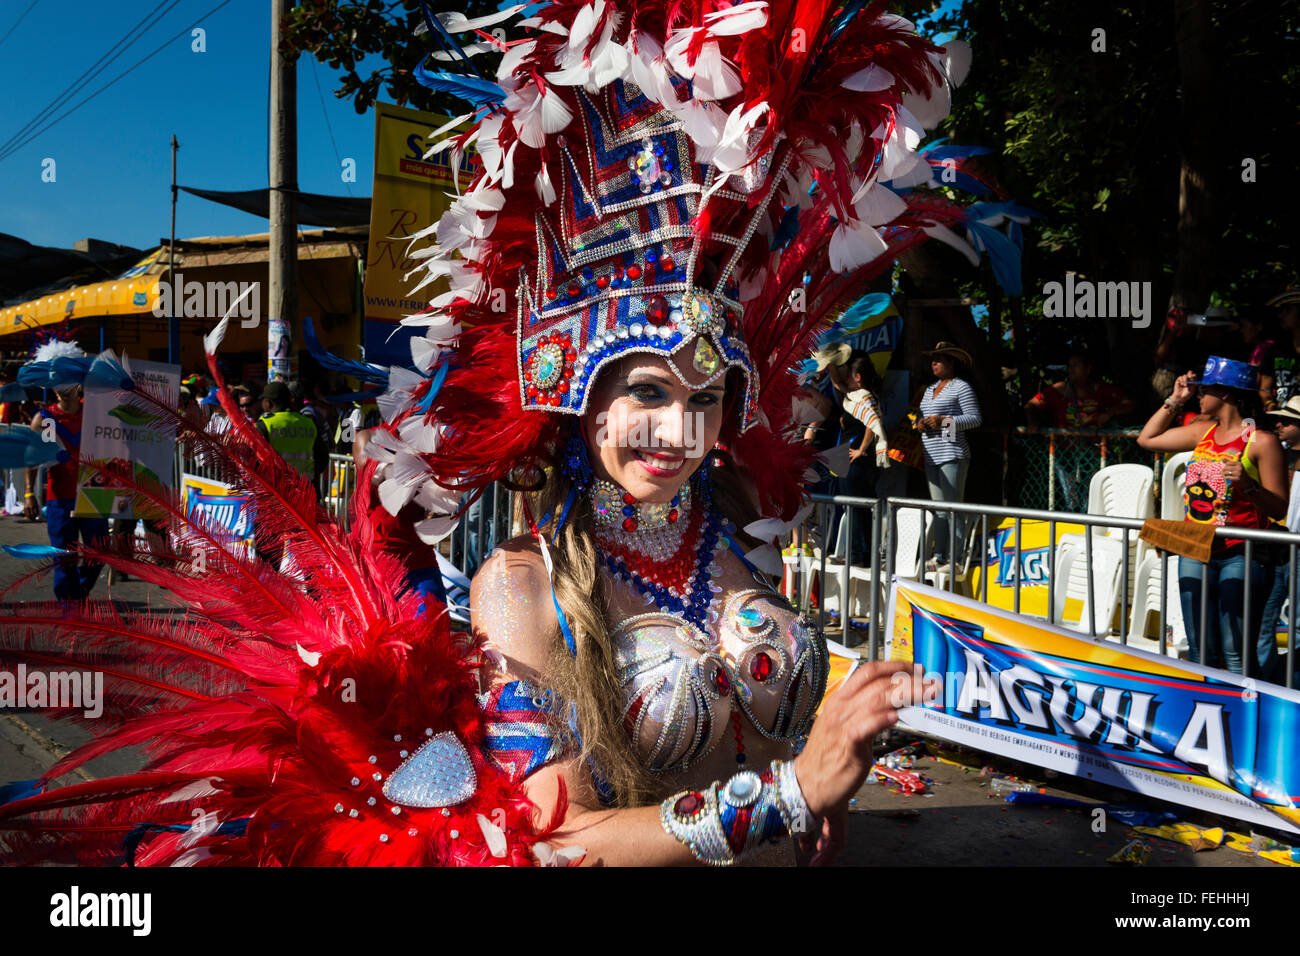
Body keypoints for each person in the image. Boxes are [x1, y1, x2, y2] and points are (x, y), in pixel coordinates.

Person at [0, 0, 989, 867]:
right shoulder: (522, 585)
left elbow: (757, 734)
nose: (677, 428)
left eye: (704, 395)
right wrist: (788, 794)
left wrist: (827, 754)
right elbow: (561, 838)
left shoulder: (724, 534)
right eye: (646, 392)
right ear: (581, 399)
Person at [1137, 357, 1288, 675]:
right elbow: (1146, 439)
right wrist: (1175, 401)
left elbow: (1278, 509)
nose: (1198, 395)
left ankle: (1241, 719)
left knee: (1235, 652)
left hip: (1241, 552)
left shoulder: (1262, 441)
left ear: (1228, 394)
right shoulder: (1202, 432)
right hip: (1196, 546)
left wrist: (1247, 486)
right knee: (1199, 649)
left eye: (1204, 389)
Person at [23, 383, 110, 601]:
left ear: (78, 386)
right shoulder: (44, 419)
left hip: (94, 495)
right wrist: (28, 494)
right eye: (59, 383)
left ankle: (79, 592)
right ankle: (68, 605)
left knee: (99, 552)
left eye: (68, 382)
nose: (64, 388)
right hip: (60, 498)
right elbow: (32, 458)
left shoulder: (95, 413)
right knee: (63, 557)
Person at [1024, 346, 1134, 512]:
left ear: (1088, 369)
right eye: (1069, 366)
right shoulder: (1059, 389)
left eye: (1076, 365)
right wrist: (1033, 422)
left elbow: (1129, 404)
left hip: (1093, 453)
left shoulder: (1102, 389)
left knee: (1091, 494)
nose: (1071, 370)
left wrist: (1110, 412)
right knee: (1070, 497)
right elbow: (1031, 404)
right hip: (1064, 452)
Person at [917, 342, 982, 571]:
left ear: (951, 363)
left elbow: (975, 418)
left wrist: (945, 420)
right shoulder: (929, 389)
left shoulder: (961, 387)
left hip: (952, 453)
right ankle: (940, 555)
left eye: (939, 359)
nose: (933, 363)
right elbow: (920, 414)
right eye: (932, 359)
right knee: (940, 509)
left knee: (953, 507)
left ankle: (956, 558)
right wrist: (921, 423)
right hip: (931, 454)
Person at [828, 350, 889, 564]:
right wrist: (831, 361)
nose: (845, 377)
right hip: (848, 459)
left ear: (858, 377)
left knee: (857, 508)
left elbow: (873, 423)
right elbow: (837, 384)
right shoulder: (854, 396)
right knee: (851, 507)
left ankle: (859, 555)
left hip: (859, 461)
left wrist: (862, 449)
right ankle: (856, 553)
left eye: (849, 373)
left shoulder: (865, 396)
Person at [1256, 396, 1300, 685]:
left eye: (1287, 419)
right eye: (1277, 419)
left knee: (1297, 629)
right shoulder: (1277, 451)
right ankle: (1263, 688)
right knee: (1262, 624)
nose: (1278, 423)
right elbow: (1246, 428)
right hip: (1278, 551)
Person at [255, 381, 320, 484]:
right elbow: (322, 456)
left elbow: (256, 460)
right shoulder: (308, 422)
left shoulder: (264, 425)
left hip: (278, 489)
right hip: (306, 488)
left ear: (268, 403)